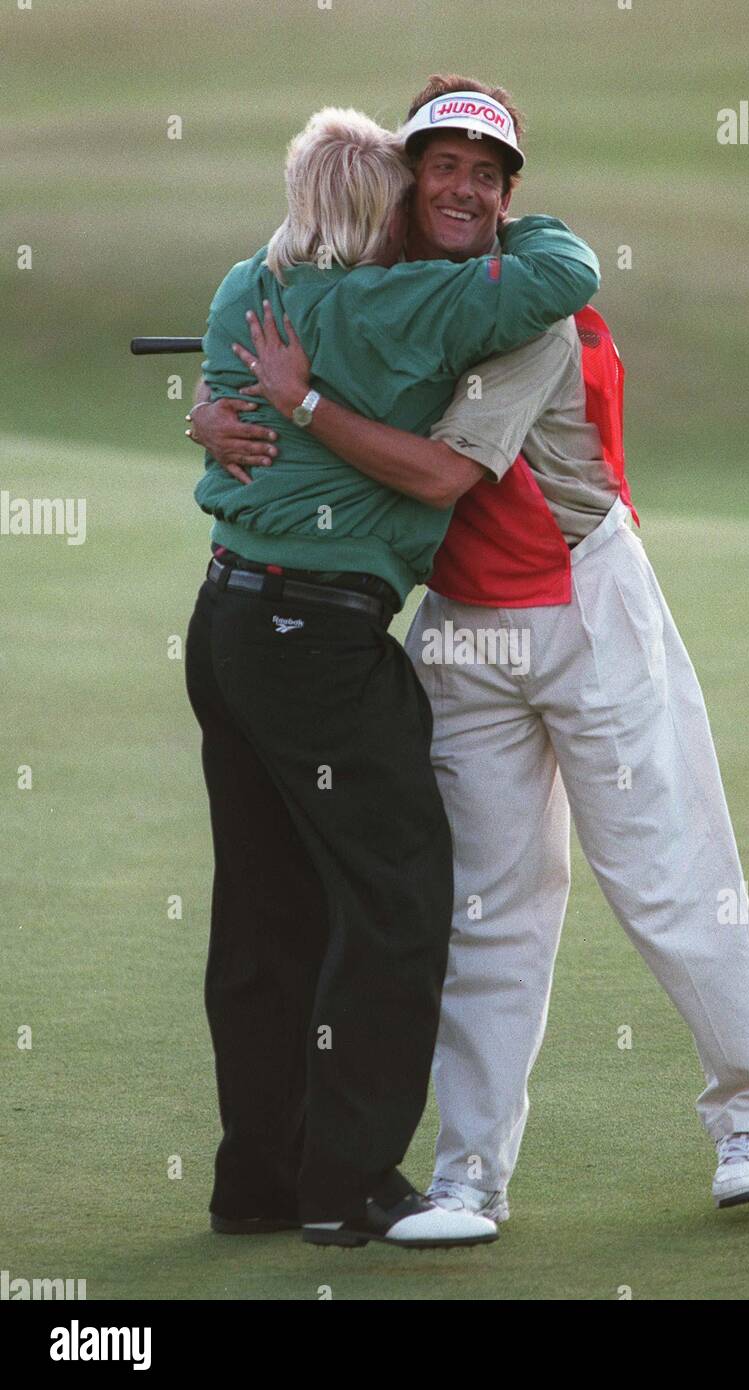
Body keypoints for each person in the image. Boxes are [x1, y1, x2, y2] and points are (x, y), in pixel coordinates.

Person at [190, 76, 749, 1224]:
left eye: (488, 172)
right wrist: (213, 411)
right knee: (486, 906)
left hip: (582, 597)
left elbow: (439, 475)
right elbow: (262, 334)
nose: (464, 187)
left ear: (509, 196)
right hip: (457, 626)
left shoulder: (520, 303)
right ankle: (471, 1167)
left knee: (667, 874)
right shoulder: (372, 283)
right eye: (444, 165)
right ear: (405, 177)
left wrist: (304, 404)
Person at [184, 102, 600, 1250]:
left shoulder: (243, 292)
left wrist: (210, 412)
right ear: (379, 211)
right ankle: (348, 1184)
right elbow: (567, 269)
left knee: (266, 912)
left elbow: (218, 389)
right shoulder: (397, 304)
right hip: (318, 642)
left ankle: (258, 1180)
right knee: (398, 899)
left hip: (224, 619)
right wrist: (502, 210)